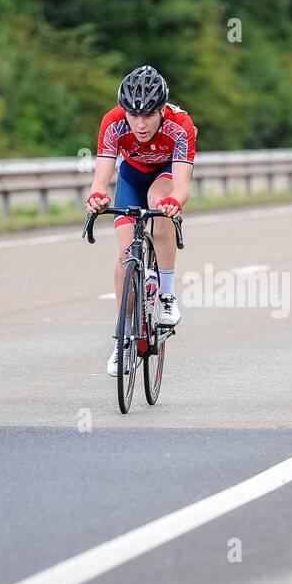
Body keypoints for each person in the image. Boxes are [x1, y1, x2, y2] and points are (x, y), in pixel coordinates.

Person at [84, 65, 196, 375]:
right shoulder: (112, 124)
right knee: (124, 256)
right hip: (131, 177)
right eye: (133, 115)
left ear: (162, 109)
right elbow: (100, 180)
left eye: (148, 115)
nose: (140, 123)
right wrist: (97, 197)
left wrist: (175, 201)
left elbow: (182, 184)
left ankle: (168, 293)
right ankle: (123, 340)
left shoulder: (180, 125)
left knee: (157, 202)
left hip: (165, 175)